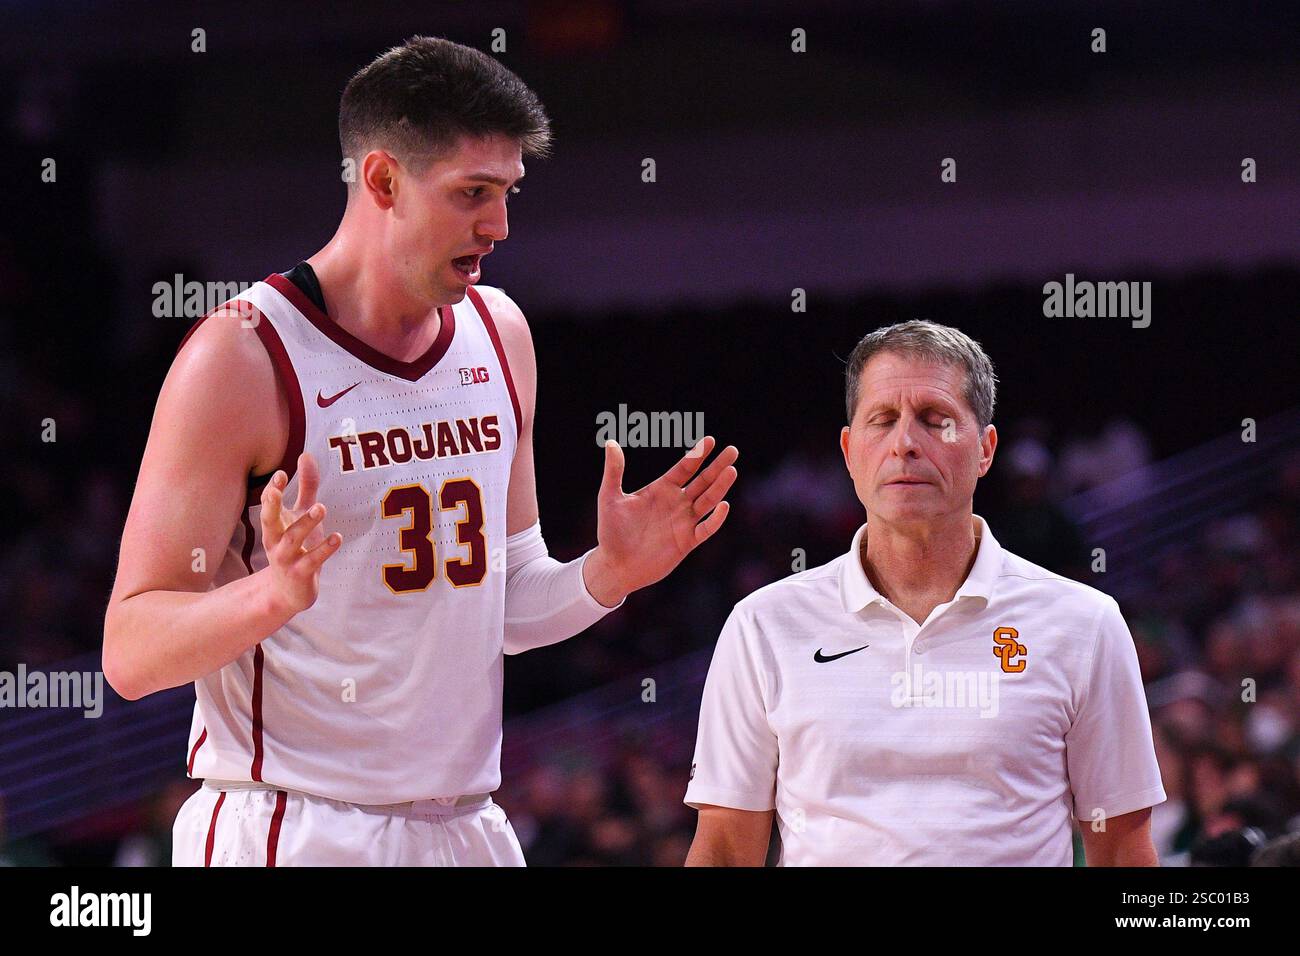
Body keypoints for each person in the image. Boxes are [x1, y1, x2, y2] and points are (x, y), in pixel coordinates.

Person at [102, 36, 738, 866]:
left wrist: (605, 576)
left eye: (508, 192)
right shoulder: (245, 357)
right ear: (382, 180)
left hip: (467, 826)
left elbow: (498, 610)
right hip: (296, 827)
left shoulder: (501, 334)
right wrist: (274, 596)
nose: (499, 224)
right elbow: (130, 652)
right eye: (472, 193)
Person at [684, 320, 1162, 866]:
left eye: (936, 422)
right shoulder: (763, 625)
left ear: (985, 449)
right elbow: (723, 848)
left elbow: (1123, 847)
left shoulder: (1085, 624)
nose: (906, 444)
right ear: (849, 450)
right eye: (882, 421)